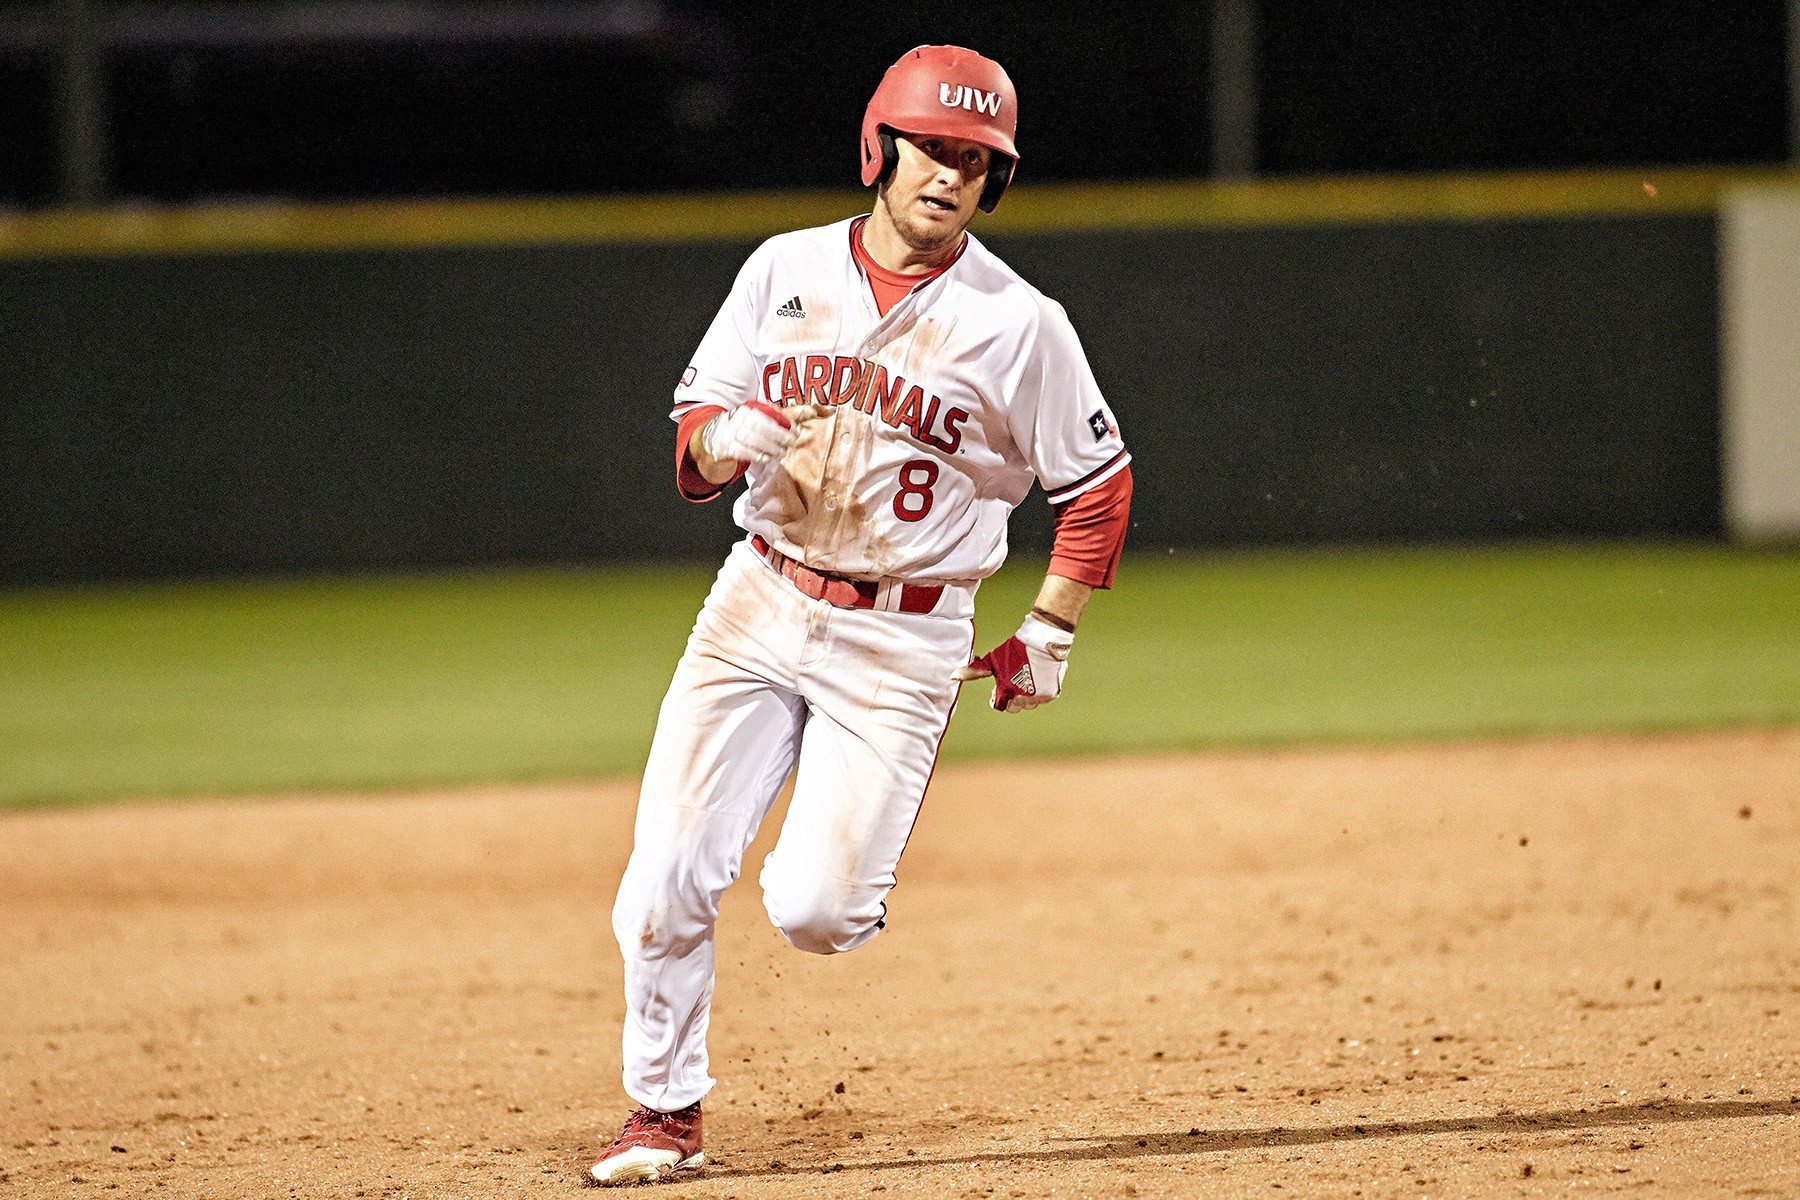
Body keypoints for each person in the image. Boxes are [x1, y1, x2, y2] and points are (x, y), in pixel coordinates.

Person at [589, 44, 1133, 1186]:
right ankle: (663, 1114)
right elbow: (692, 436)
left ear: (996, 184)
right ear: (881, 148)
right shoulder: (784, 267)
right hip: (759, 596)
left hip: (904, 634)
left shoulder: (1022, 323)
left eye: (976, 160)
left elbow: (1097, 485)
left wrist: (1051, 629)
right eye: (932, 146)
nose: (949, 174)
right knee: (667, 872)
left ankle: (855, 864)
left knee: (819, 912)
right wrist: (718, 442)